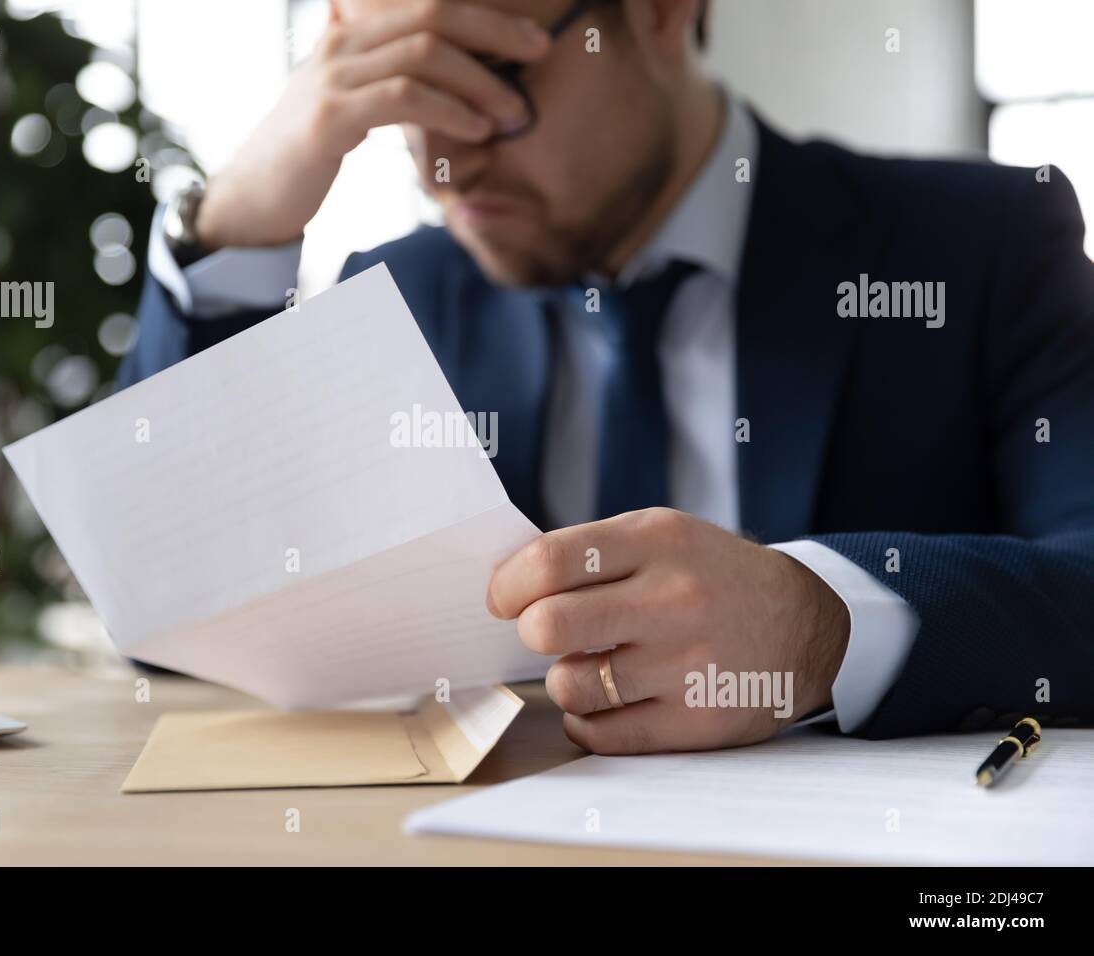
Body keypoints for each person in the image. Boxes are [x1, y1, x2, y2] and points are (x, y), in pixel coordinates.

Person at [119, 0, 1094, 753]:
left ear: (663, 11)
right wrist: (240, 221)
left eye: (486, 77)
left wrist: (819, 621)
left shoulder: (980, 247)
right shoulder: (404, 292)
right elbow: (177, 611)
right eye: (398, 96)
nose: (440, 162)